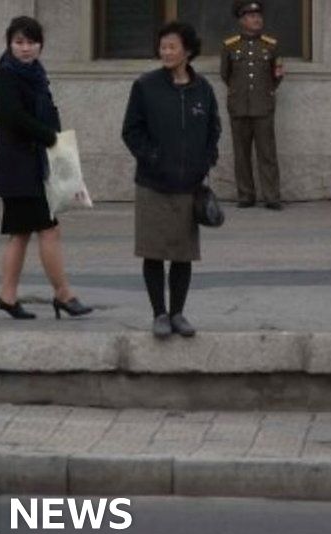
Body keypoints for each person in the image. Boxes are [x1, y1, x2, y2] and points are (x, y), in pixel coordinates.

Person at [121, 22, 220, 339]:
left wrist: (205, 162)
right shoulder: (146, 86)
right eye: (162, 47)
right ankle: (159, 314)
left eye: (172, 47)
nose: (166, 52)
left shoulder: (203, 90)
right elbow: (131, 131)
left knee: (182, 253)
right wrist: (153, 158)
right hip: (153, 183)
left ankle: (178, 312)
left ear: (187, 51)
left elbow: (213, 130)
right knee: (153, 251)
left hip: (187, 186)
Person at [0, 16, 92, 321]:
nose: (25, 48)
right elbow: (12, 116)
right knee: (49, 229)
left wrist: (57, 138)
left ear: (40, 45)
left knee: (20, 232)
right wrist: (49, 136)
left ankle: (7, 297)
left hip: (34, 162)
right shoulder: (5, 75)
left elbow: (47, 109)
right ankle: (63, 294)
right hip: (18, 163)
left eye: (31, 42)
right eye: (19, 42)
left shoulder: (37, 74)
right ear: (10, 44)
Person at [221, 0, 284, 210]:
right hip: (239, 106)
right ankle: (246, 195)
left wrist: (264, 92)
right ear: (241, 20)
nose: (256, 19)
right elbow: (225, 74)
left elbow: (277, 76)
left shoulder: (271, 45)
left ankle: (272, 196)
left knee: (267, 153)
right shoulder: (230, 45)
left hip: (263, 106)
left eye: (258, 16)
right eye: (250, 16)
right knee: (241, 153)